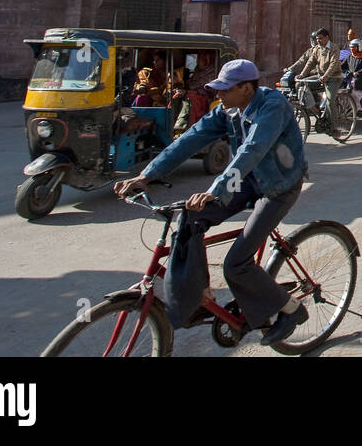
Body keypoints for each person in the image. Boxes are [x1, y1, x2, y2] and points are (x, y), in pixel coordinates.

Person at [114, 60, 311, 345]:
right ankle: (196, 295)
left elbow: (252, 149)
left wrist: (215, 190)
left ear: (246, 88)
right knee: (189, 218)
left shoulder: (272, 105)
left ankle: (291, 310)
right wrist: (146, 176)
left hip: (278, 186)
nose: (219, 95)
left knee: (236, 264)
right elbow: (190, 140)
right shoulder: (228, 111)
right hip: (245, 180)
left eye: (225, 90)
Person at [283, 29, 342, 119]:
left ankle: (333, 126)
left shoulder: (333, 48)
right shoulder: (313, 50)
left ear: (326, 38)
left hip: (330, 76)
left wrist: (326, 75)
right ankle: (314, 109)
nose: (317, 41)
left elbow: (333, 64)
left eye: (319, 39)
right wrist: (295, 71)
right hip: (317, 75)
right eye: (316, 39)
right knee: (299, 84)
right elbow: (304, 61)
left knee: (329, 101)